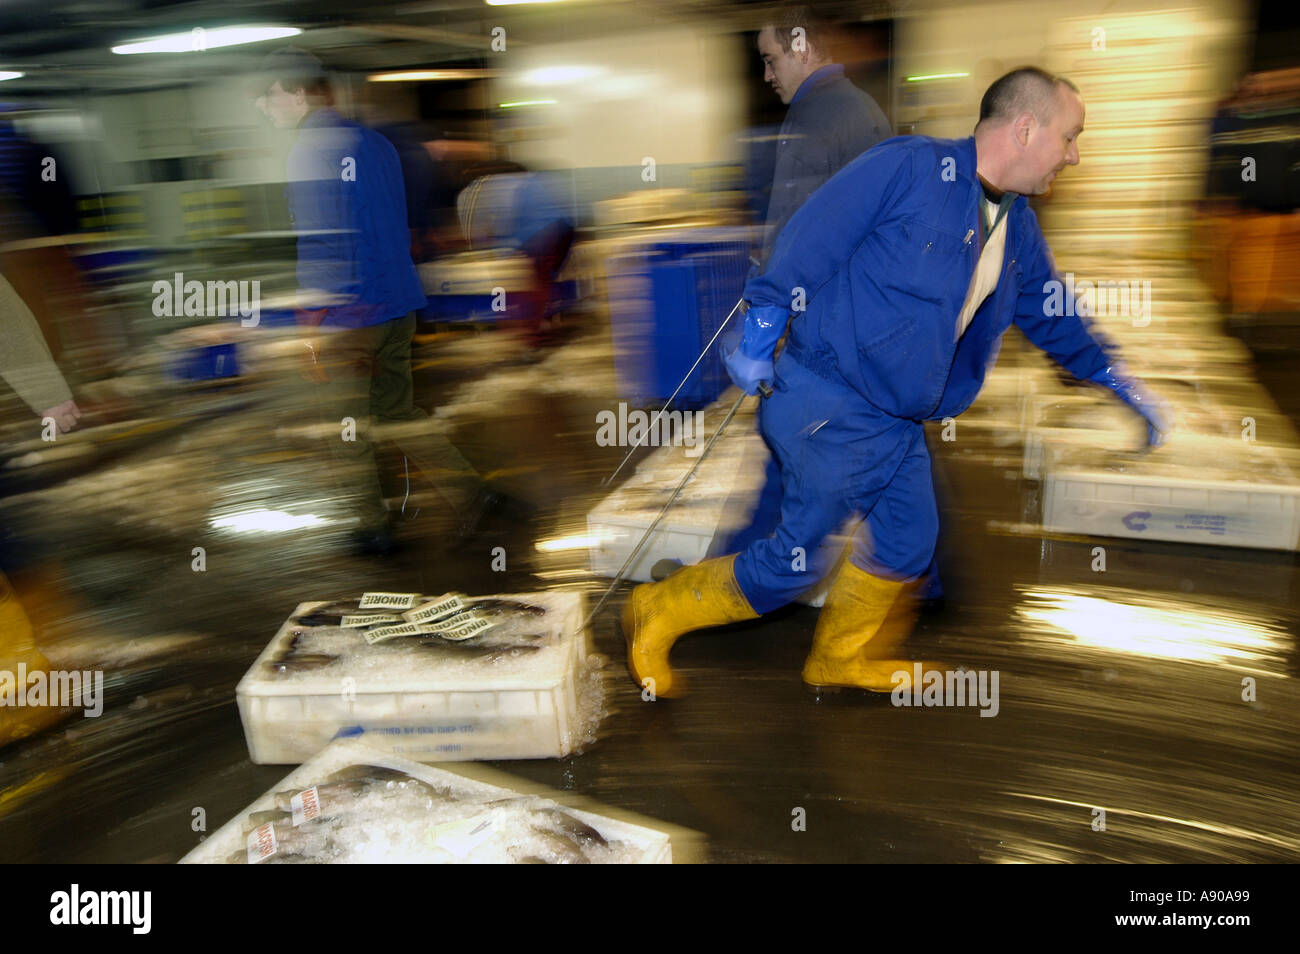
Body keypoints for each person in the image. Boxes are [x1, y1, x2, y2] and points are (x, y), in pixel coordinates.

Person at [623, 67, 1171, 698]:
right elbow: (810, 240)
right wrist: (760, 325)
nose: (1075, 155)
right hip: (828, 403)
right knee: (790, 567)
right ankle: (657, 610)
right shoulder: (910, 169)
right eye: (1070, 137)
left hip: (897, 419)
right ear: (1026, 127)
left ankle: (836, 659)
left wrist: (1112, 377)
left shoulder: (1015, 225)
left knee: (909, 544)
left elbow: (1050, 310)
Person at [254, 48, 495, 554]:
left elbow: (323, 238)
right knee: (396, 414)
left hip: (351, 314)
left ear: (299, 93)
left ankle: (374, 527)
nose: (264, 105)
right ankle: (471, 488)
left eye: (271, 94)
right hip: (399, 301)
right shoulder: (376, 142)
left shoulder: (310, 149)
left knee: (348, 427)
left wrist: (311, 317)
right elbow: (394, 220)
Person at [707, 6, 893, 566]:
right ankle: (921, 571)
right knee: (878, 445)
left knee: (791, 433)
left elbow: (800, 226)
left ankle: (744, 567)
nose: (766, 76)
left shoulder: (819, 113)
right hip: (861, 313)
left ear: (801, 44)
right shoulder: (857, 107)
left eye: (770, 59)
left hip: (831, 318)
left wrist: (763, 317)